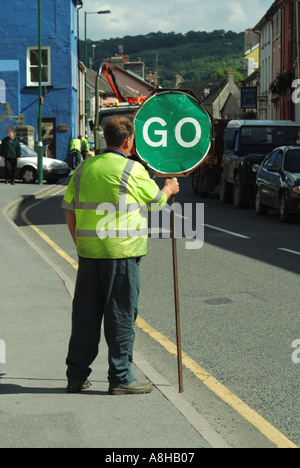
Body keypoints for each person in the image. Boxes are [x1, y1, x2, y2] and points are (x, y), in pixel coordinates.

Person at [62, 116, 179, 395]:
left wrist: (81, 242)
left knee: (85, 319)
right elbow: (156, 203)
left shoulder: (83, 168)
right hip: (123, 255)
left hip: (89, 255)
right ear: (128, 141)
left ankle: (76, 377)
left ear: (106, 138)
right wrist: (169, 188)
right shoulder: (133, 170)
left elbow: (69, 209)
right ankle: (121, 378)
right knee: (120, 317)